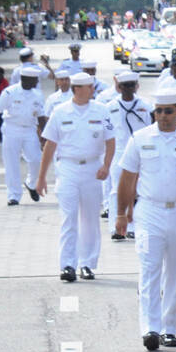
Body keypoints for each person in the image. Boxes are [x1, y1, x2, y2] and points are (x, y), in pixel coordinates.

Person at [115, 90, 176, 350]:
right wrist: (121, 213)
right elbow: (127, 177)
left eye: (168, 111)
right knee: (149, 268)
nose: (162, 116)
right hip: (149, 211)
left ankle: (169, 328)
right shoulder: (140, 138)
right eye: (158, 111)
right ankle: (150, 328)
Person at [36, 72, 116, 282]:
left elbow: (110, 141)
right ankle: (67, 265)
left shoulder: (102, 111)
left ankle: (87, 264)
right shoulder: (60, 112)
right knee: (69, 218)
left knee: (90, 219)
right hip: (68, 168)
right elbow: (50, 145)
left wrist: (106, 166)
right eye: (89, 87)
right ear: (77, 89)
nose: (93, 90)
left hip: (92, 168)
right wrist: (41, 177)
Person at [105, 71, 153, 240]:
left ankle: (132, 226)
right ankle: (115, 227)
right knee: (116, 190)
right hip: (119, 153)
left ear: (136, 87)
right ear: (119, 87)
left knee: (138, 190)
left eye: (131, 85)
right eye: (125, 86)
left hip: (142, 152)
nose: (128, 89)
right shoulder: (109, 107)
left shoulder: (147, 106)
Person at [0, 65, 47, 205]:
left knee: (36, 159)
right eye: (34, 79)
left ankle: (30, 183)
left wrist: (45, 136)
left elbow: (41, 116)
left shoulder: (38, 94)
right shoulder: (10, 92)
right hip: (11, 129)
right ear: (24, 79)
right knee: (11, 163)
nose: (36, 82)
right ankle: (14, 195)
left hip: (29, 130)